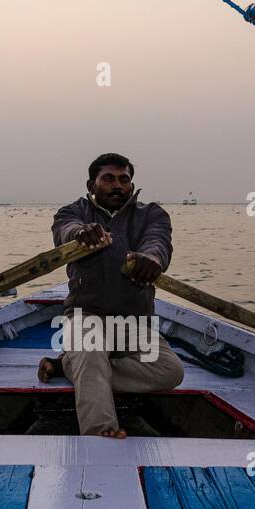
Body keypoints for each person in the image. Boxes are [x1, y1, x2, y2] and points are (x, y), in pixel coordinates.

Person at [40, 153, 184, 438]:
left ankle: (69, 365)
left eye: (124, 179)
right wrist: (81, 234)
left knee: (171, 370)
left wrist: (151, 258)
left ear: (131, 185)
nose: (117, 185)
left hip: (134, 322)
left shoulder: (152, 214)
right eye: (108, 179)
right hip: (86, 315)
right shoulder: (72, 213)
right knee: (91, 352)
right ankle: (100, 435)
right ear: (91, 185)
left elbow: (159, 242)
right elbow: (65, 232)